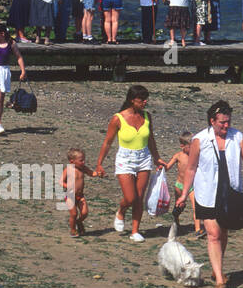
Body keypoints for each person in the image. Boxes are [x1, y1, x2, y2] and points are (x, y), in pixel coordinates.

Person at [175, 100, 243, 288]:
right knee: (213, 234)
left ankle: (217, 270)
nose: (226, 126)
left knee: (223, 234)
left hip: (229, 192)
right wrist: (183, 194)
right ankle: (220, 281)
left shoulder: (237, 137)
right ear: (212, 121)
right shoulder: (200, 140)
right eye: (222, 122)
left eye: (228, 121)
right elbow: (191, 168)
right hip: (206, 193)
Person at [93, 85, 166, 243]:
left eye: (146, 99)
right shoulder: (118, 118)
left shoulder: (147, 116)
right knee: (130, 197)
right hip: (125, 159)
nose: (145, 102)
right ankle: (121, 210)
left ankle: (135, 230)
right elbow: (107, 142)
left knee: (139, 197)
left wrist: (156, 157)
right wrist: (99, 164)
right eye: (142, 99)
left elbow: (151, 139)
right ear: (132, 100)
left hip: (144, 158)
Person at [164, 132, 203, 238]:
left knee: (196, 208)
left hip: (192, 186)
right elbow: (167, 167)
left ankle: (198, 229)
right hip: (180, 186)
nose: (193, 149)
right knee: (178, 208)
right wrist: (162, 166)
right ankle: (176, 222)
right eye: (191, 147)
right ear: (182, 146)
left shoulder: (195, 156)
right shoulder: (178, 156)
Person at [60, 148, 96, 238]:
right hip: (70, 196)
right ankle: (73, 230)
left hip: (80, 196)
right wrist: (67, 186)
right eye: (81, 160)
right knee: (74, 214)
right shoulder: (68, 169)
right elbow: (60, 182)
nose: (83, 162)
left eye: (84, 160)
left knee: (84, 213)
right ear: (72, 161)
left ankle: (79, 222)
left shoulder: (83, 168)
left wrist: (99, 173)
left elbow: (92, 173)